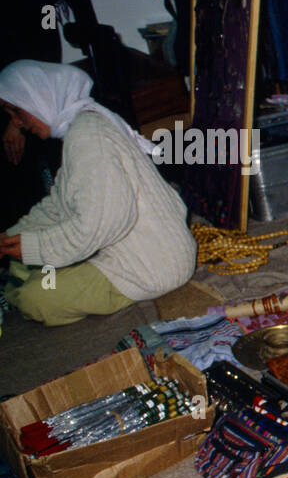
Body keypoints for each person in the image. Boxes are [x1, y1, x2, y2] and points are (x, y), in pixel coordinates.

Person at [0, 60, 196, 326]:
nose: (17, 123)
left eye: (16, 111)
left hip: (153, 266)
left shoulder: (86, 136)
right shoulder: (81, 127)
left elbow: (103, 224)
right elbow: (58, 204)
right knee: (23, 262)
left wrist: (38, 247)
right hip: (142, 247)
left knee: (35, 297)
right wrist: (11, 237)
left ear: (36, 98)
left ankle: (36, 281)